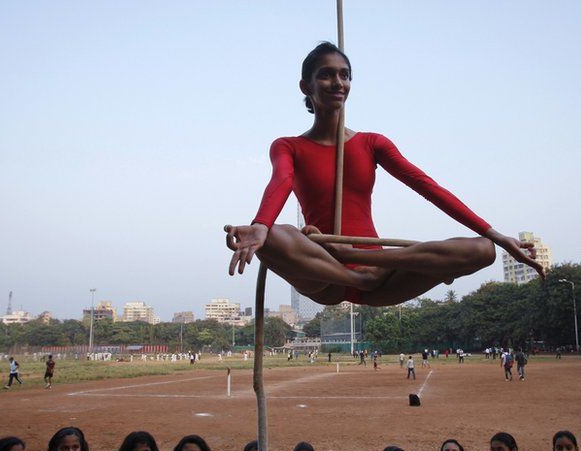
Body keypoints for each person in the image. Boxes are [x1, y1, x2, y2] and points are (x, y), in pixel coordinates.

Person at [224, 42, 544, 309]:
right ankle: (353, 273)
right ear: (305, 86)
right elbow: (280, 181)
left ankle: (357, 263)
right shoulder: (288, 146)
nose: (338, 82)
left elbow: (427, 187)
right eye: (326, 75)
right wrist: (261, 224)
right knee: (272, 235)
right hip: (324, 274)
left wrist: (496, 235)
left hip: (381, 275)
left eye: (344, 75)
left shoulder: (371, 143)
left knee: (483, 250)